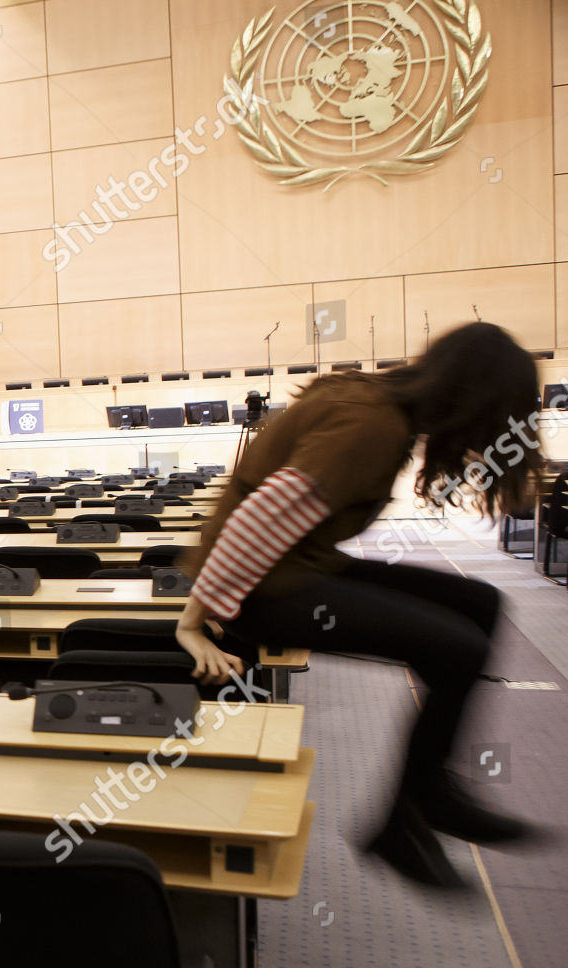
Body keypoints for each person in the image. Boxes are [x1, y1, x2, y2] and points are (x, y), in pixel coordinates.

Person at [176, 322, 542, 889]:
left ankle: (423, 799)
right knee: (459, 646)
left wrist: (503, 462)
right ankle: (412, 814)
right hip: (261, 588)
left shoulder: (374, 400)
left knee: (480, 602)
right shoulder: (371, 425)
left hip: (299, 566)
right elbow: (258, 519)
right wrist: (194, 624)